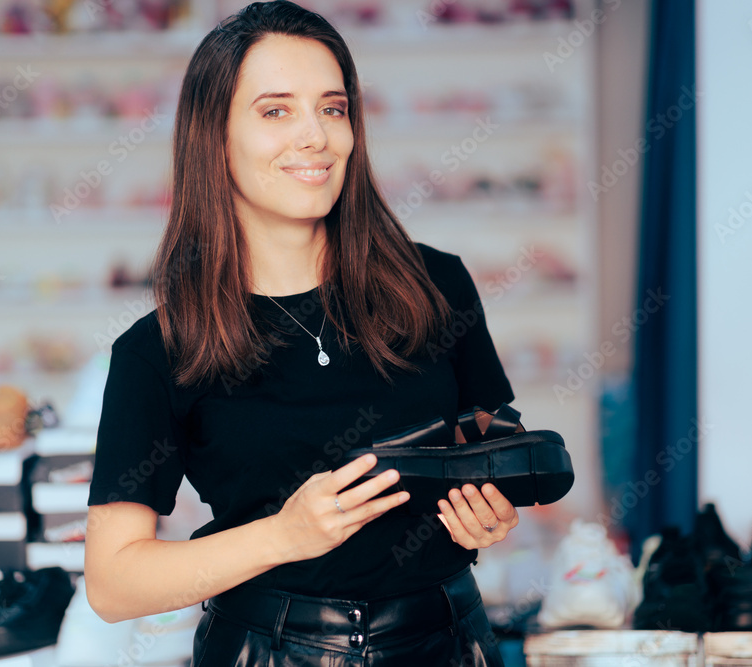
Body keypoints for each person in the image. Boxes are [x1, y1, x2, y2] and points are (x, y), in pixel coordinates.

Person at [85, 2, 523, 665]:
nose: (316, 136)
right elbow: (114, 582)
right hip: (268, 650)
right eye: (275, 110)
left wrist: (491, 505)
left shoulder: (435, 285)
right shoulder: (162, 350)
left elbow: (490, 440)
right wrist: (283, 534)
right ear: (215, 135)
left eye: (333, 107)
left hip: (449, 640)